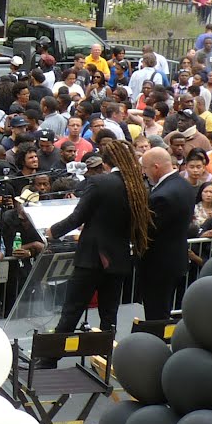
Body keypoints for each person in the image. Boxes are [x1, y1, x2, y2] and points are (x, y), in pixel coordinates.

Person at [40, 140, 152, 367]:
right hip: (119, 258)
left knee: (71, 310)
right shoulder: (139, 186)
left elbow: (77, 217)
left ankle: (50, 359)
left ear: (106, 160)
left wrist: (52, 231)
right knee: (109, 315)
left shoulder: (100, 183)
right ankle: (104, 358)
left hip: (92, 258)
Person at [137, 147, 195, 320]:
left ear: (156, 167)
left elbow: (148, 230)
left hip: (158, 266)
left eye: (145, 169)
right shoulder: (184, 185)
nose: (144, 174)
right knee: (164, 311)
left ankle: (158, 345)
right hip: (175, 261)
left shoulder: (162, 195)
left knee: (156, 315)